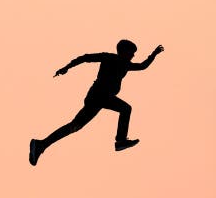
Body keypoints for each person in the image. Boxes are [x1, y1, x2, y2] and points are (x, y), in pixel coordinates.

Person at [29, 40, 164, 166]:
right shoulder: (109, 58)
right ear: (123, 51)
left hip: (98, 99)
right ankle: (120, 141)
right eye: (131, 52)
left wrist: (153, 54)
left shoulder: (125, 64)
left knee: (74, 126)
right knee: (126, 109)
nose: (133, 55)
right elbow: (85, 57)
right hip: (99, 96)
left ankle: (41, 144)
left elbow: (142, 66)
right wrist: (67, 67)